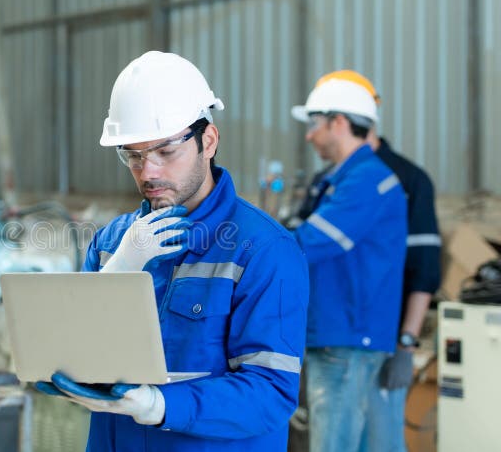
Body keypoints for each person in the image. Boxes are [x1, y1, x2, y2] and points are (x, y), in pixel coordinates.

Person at [36, 51, 309, 451]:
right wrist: (115, 276)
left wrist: (161, 405)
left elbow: (270, 393)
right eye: (134, 155)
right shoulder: (112, 243)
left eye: (165, 152)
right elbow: (74, 359)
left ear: (208, 141)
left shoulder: (263, 250)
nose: (148, 172)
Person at [290, 70, 442, 452]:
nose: (309, 135)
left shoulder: (366, 182)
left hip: (346, 337)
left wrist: (241, 241)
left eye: (314, 124)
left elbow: (306, 244)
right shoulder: (343, 180)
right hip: (350, 335)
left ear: (339, 122)